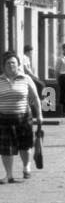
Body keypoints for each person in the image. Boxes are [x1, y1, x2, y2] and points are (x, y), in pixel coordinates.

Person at [0, 51, 42, 182]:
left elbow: (35, 98)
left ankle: (26, 167)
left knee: (25, 146)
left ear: (18, 65)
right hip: (4, 119)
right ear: (3, 66)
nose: (11, 65)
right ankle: (9, 175)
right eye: (8, 63)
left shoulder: (26, 78)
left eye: (13, 62)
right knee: (6, 149)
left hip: (23, 117)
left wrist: (39, 115)